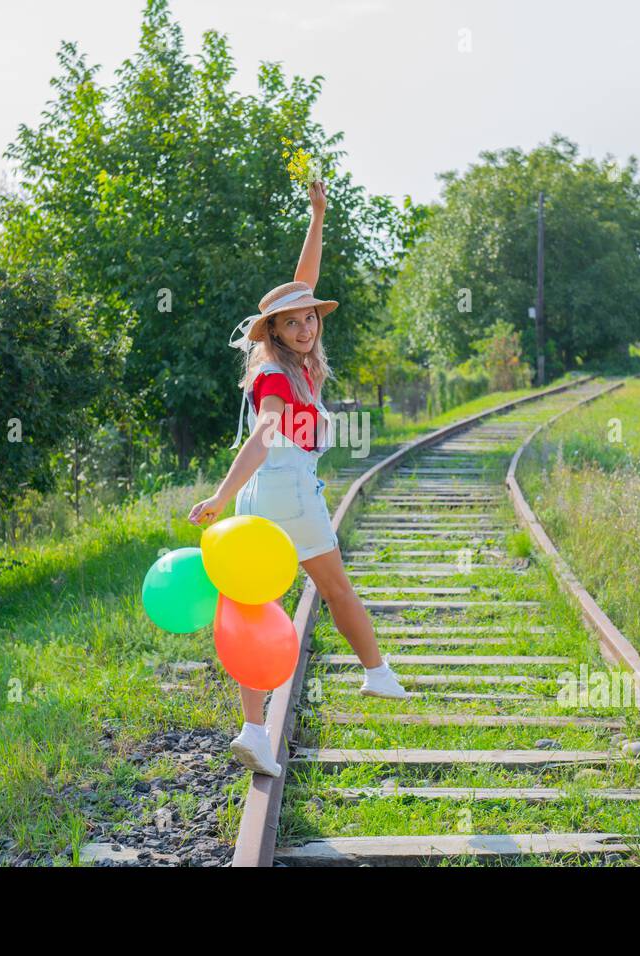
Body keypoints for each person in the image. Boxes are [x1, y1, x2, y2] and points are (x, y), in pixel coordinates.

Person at [188, 179, 406, 777]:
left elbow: (300, 281)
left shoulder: (288, 360)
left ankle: (254, 730)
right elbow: (264, 437)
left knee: (255, 602)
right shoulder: (277, 379)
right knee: (334, 586)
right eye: (292, 323)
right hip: (280, 486)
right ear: (276, 333)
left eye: (310, 318)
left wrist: (318, 216)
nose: (305, 326)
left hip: (265, 492)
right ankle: (377, 675)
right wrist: (220, 494)